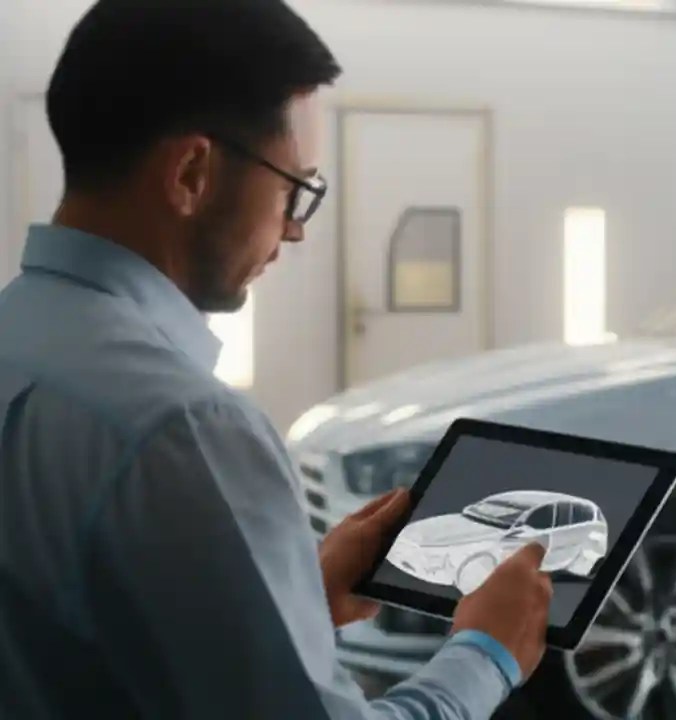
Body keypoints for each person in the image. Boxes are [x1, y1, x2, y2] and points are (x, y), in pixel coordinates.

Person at [0, 1, 552, 718]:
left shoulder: (20, 338)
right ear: (191, 173)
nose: (294, 229)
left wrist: (293, 598)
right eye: (294, 187)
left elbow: (75, 637)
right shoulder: (185, 428)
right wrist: (487, 652)